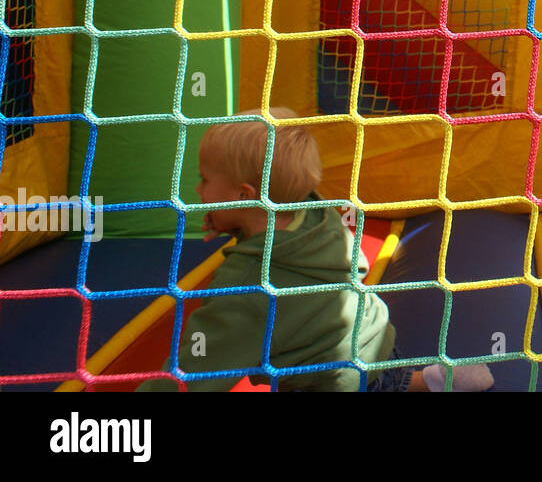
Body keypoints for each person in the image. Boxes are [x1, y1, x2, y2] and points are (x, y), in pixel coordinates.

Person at [138, 108, 493, 392]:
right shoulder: (316, 213)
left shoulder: (247, 281)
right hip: (376, 342)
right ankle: (426, 382)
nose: (198, 189)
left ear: (244, 195)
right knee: (385, 383)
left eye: (204, 179)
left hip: (327, 383)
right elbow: (359, 264)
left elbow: (204, 365)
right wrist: (232, 219)